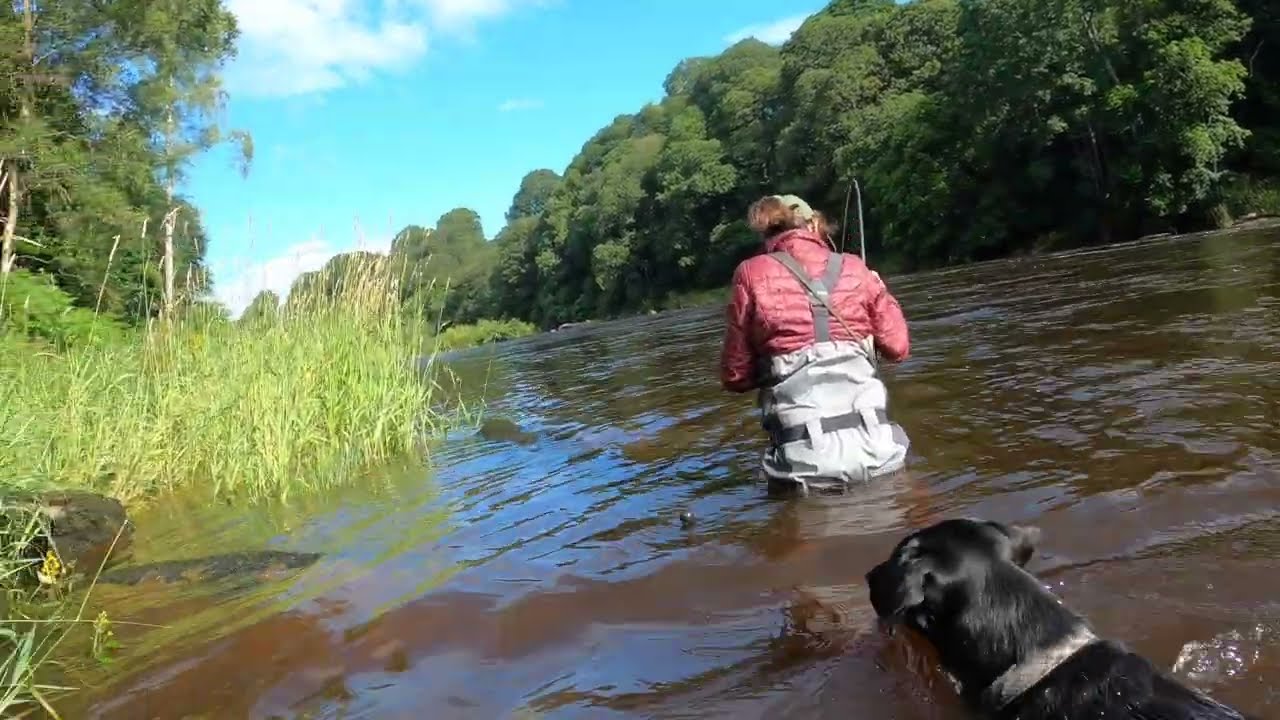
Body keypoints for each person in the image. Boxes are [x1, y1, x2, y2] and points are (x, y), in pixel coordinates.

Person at [720, 193, 912, 495]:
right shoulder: (854, 266)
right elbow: (898, 348)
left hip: (803, 468)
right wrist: (880, 290)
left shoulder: (750, 273)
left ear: (767, 231)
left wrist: (771, 359)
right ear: (814, 224)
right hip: (881, 454)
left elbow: (735, 376)